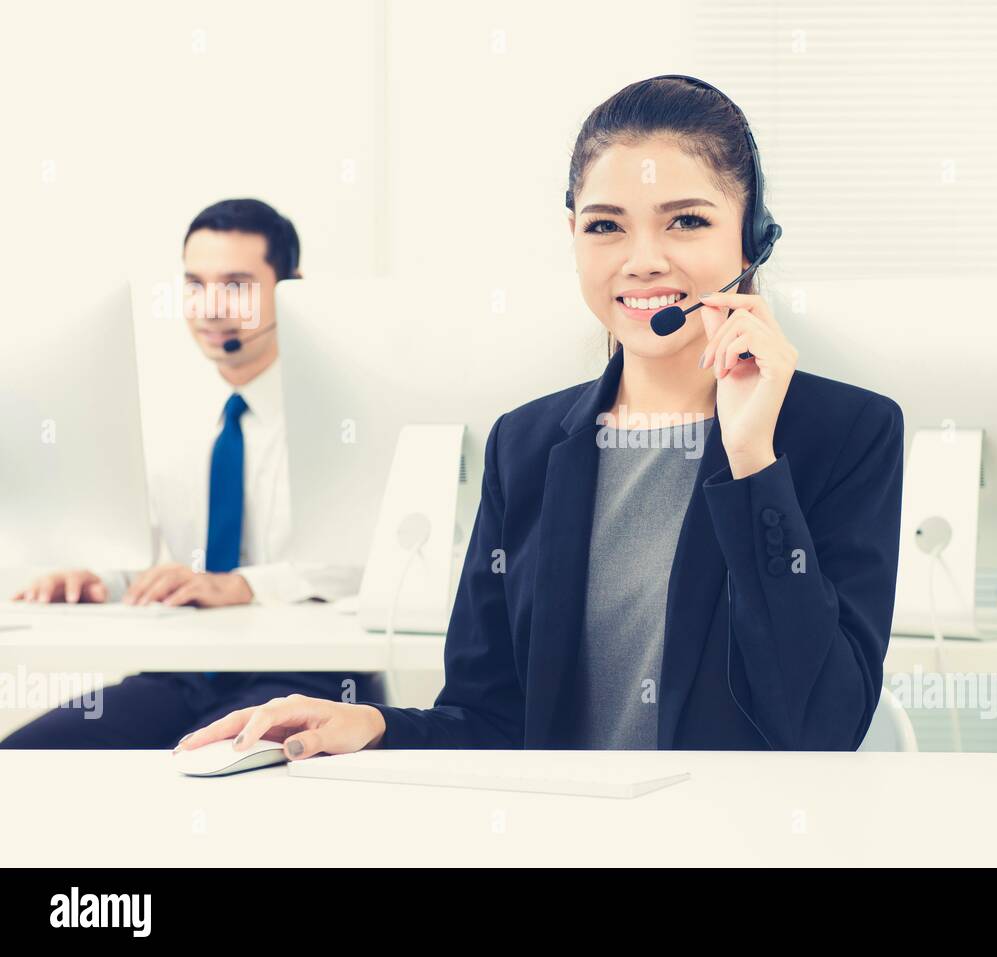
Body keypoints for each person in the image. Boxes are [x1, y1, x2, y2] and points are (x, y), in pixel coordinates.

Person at [178, 75, 904, 757]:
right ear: (574, 236)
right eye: (605, 226)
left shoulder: (846, 435)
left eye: (685, 220)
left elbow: (820, 729)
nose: (643, 259)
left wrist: (752, 461)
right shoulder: (525, 446)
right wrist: (374, 724)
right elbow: (493, 719)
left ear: (751, 239)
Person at [3, 198, 378, 749]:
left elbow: (377, 560)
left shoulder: (349, 413)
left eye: (235, 285)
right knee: (22, 761)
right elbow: (160, 567)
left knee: (202, 775)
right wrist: (96, 580)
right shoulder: (173, 419)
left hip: (305, 679)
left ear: (290, 290)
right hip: (182, 672)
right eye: (195, 284)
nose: (209, 308)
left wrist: (243, 585)